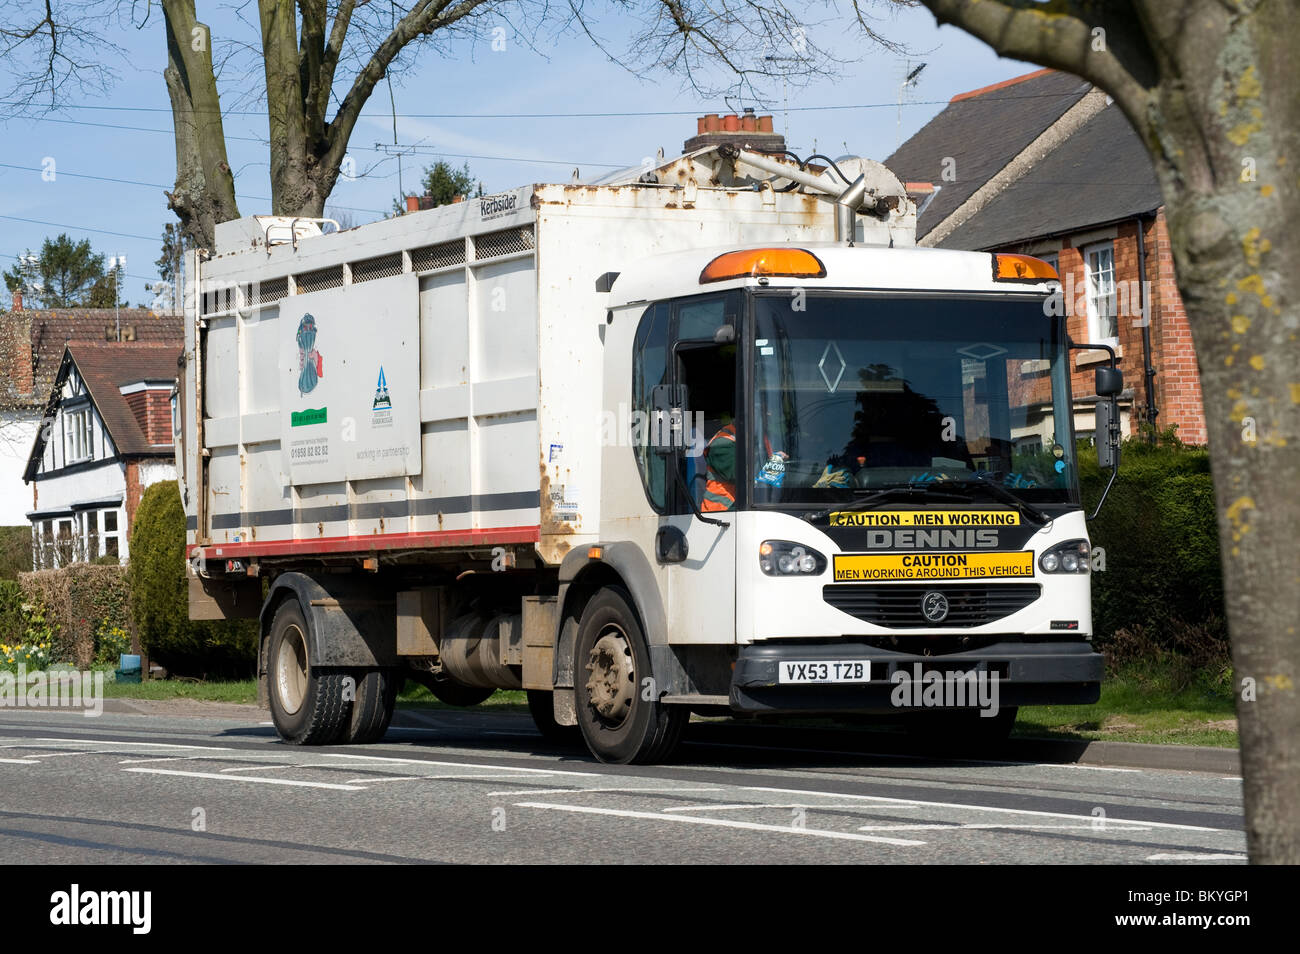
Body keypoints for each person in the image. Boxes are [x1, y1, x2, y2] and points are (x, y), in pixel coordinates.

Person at [701, 419, 737, 512]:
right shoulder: (722, 443)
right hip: (720, 511)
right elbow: (742, 476)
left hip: (736, 508)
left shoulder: (757, 439)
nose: (769, 414)